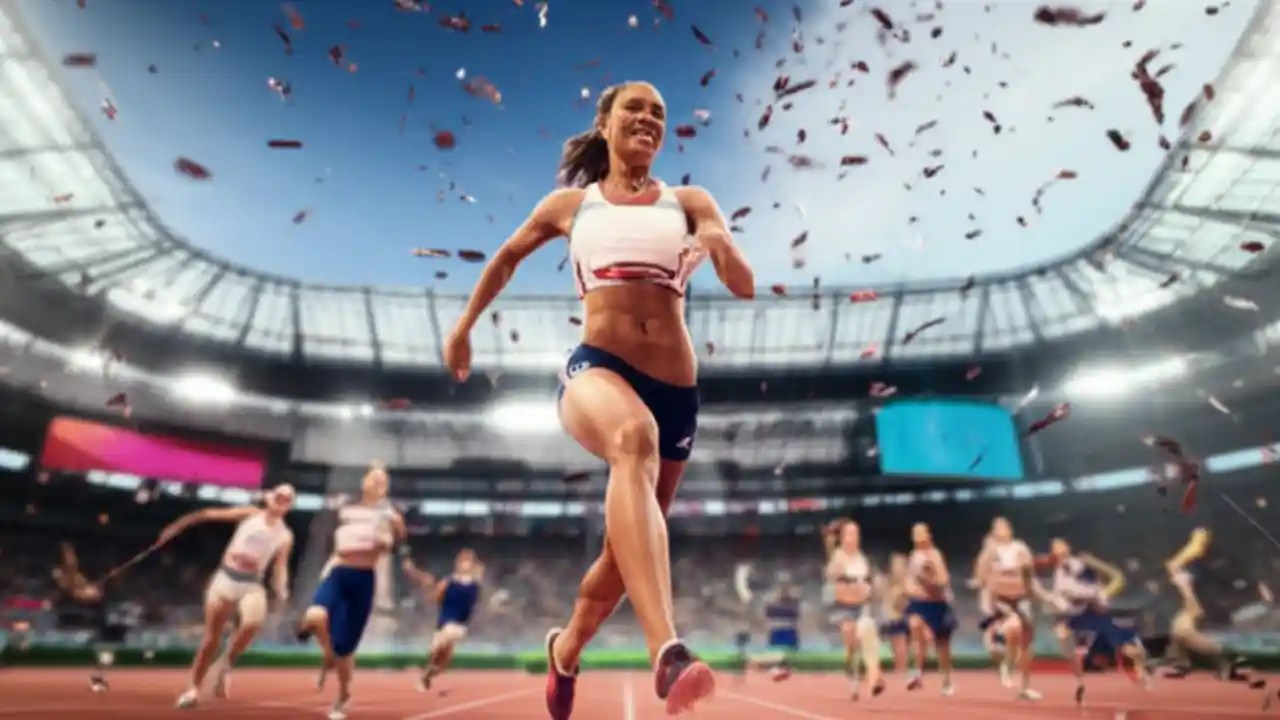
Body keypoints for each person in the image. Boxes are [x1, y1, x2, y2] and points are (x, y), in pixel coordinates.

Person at [443, 80, 754, 719]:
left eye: (659, 112)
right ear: (605, 122)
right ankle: (666, 650)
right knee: (630, 438)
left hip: (676, 391)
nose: (648, 118)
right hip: (598, 369)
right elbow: (505, 259)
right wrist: (464, 326)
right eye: (635, 108)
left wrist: (720, 243)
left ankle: (567, 647)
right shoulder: (570, 205)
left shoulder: (690, 200)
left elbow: (743, 285)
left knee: (623, 555)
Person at [170, 484, 297, 709]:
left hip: (252, 584)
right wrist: (180, 524)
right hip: (224, 579)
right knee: (211, 639)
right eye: (278, 495)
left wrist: (282, 592)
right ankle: (193, 689)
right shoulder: (250, 514)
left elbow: (280, 567)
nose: (281, 500)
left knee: (252, 624)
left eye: (287, 499)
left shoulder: (285, 535)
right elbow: (208, 514)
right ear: (269, 497)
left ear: (289, 506)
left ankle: (224, 664)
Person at [297, 462, 404, 720]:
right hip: (337, 571)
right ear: (364, 481)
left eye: (382, 481)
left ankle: (343, 695)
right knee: (314, 617)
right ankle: (329, 654)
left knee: (346, 650)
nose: (376, 483)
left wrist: (388, 537)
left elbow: (393, 542)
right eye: (373, 478)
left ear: (386, 488)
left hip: (363, 579)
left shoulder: (388, 514)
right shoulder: (346, 506)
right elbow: (332, 539)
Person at [1045, 538, 1151, 704]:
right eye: (1055, 547)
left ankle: (1138, 664)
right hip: (1077, 616)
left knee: (1128, 650)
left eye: (1061, 545)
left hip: (1096, 613)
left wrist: (1094, 566)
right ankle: (1080, 684)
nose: (1058, 549)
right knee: (1065, 638)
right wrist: (1059, 602)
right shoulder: (1059, 573)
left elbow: (1112, 579)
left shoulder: (1081, 564)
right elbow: (1064, 594)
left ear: (1068, 547)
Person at [974, 517, 1050, 701]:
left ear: (1010, 529)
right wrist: (986, 601)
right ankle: (1004, 663)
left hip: (1021, 598)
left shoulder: (1020, 548)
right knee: (1014, 627)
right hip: (1001, 600)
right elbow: (981, 579)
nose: (1001, 530)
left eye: (1004, 526)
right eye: (996, 527)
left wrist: (1045, 596)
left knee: (1026, 644)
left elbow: (1030, 577)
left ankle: (1025, 686)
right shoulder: (989, 552)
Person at [1162, 528, 1249, 682]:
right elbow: (1175, 567)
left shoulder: (1202, 560)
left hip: (1199, 602)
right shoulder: (1193, 557)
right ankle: (1181, 664)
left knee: (1183, 632)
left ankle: (1226, 661)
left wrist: (1188, 593)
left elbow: (1181, 572)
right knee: (1177, 630)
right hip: (1193, 601)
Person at [402, 548, 484, 692]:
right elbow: (434, 594)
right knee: (440, 662)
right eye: (462, 560)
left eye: (468, 560)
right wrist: (413, 571)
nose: (464, 563)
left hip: (458, 626)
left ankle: (428, 671)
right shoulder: (448, 581)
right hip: (443, 623)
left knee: (441, 646)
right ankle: (426, 677)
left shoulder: (474, 583)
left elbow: (478, 575)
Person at [50, 542, 123, 693]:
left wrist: (107, 582)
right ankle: (97, 680)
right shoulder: (69, 584)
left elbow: (95, 593)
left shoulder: (75, 580)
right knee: (103, 654)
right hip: (91, 623)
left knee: (106, 655)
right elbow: (90, 595)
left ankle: (98, 679)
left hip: (99, 621)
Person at [823, 519, 884, 700]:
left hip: (862, 606)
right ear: (842, 537)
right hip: (843, 608)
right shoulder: (837, 558)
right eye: (849, 534)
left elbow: (871, 585)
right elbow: (837, 584)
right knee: (850, 634)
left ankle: (874, 679)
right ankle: (850, 662)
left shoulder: (863, 559)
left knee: (867, 634)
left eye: (856, 534)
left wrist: (870, 589)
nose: (853, 538)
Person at [903, 523, 956, 695]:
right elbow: (908, 579)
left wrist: (932, 579)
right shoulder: (914, 556)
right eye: (914, 533)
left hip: (938, 602)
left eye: (920, 533)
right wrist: (912, 589)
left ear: (928, 535)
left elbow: (943, 580)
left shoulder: (935, 555)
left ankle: (946, 680)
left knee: (942, 645)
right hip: (920, 603)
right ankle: (917, 672)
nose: (917, 537)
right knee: (915, 626)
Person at [879, 553, 911, 676]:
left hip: (902, 620)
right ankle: (900, 670)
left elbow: (902, 604)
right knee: (898, 645)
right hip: (892, 621)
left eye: (901, 566)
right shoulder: (889, 584)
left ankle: (902, 670)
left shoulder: (908, 584)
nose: (898, 569)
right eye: (895, 566)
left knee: (901, 645)